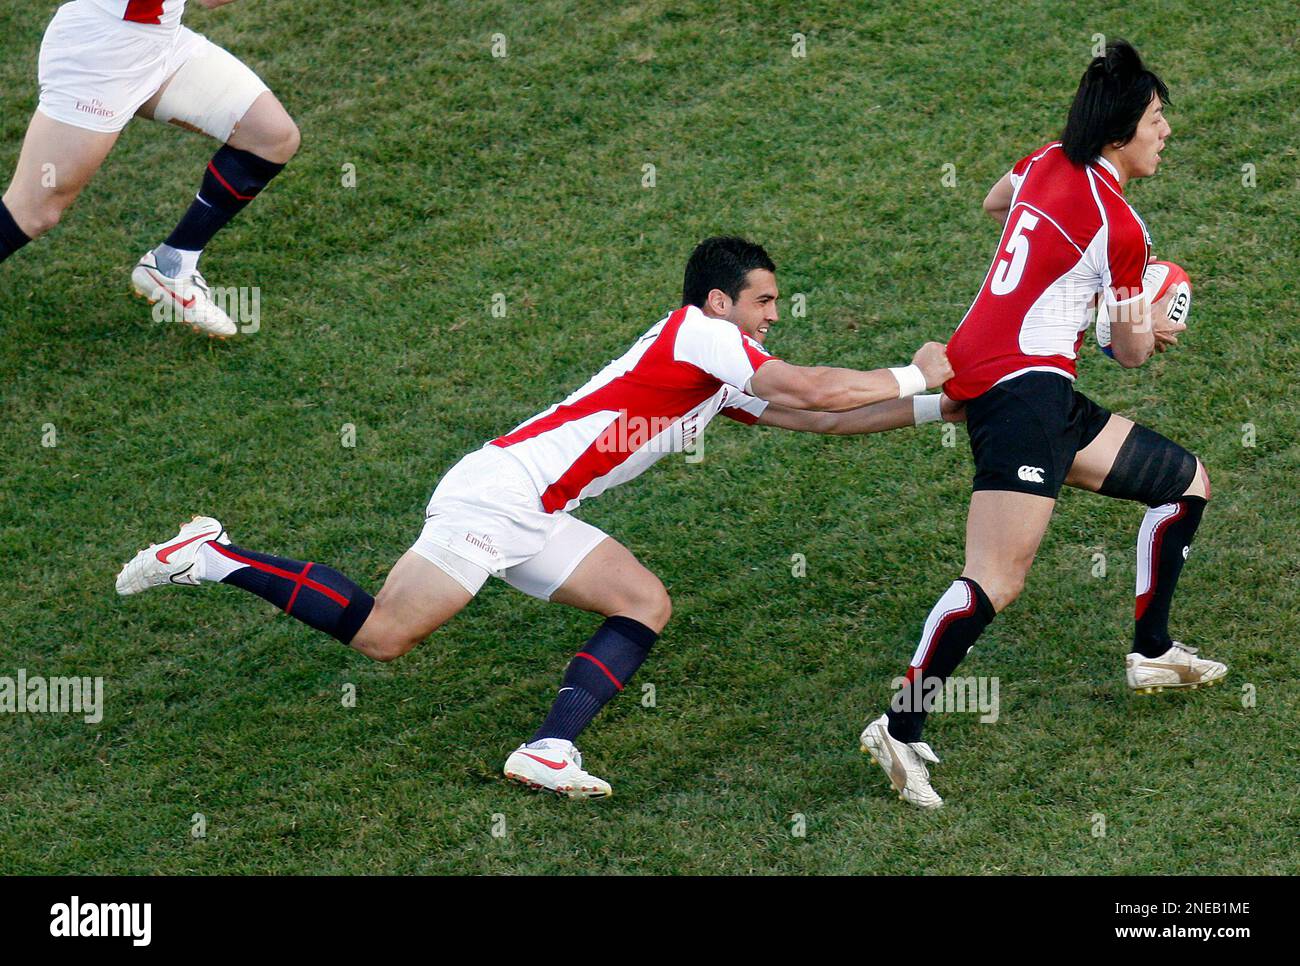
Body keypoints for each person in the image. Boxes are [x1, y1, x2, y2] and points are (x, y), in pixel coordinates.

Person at [117, 235, 957, 798]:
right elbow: (811, 388)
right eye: (765, 301)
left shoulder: (720, 369)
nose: (775, 315)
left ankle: (548, 748)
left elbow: (819, 419)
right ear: (718, 302)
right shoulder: (693, 336)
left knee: (644, 601)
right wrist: (917, 372)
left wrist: (938, 411)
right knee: (382, 637)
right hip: (499, 496)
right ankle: (213, 556)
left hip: (544, 509)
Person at [859, 41, 1226, 810]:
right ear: (1123, 129)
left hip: (1039, 393)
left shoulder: (1047, 159)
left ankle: (1153, 652)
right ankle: (897, 725)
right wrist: (1149, 323)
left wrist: (1072, 288)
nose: (1166, 132)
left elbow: (1000, 203)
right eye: (1157, 119)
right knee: (996, 575)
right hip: (1019, 394)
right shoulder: (1120, 226)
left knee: (1184, 483)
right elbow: (1128, 354)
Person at [0, 0, 299, 337]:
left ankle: (171, 265)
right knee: (33, 211)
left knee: (271, 135)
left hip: (160, 41)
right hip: (101, 52)